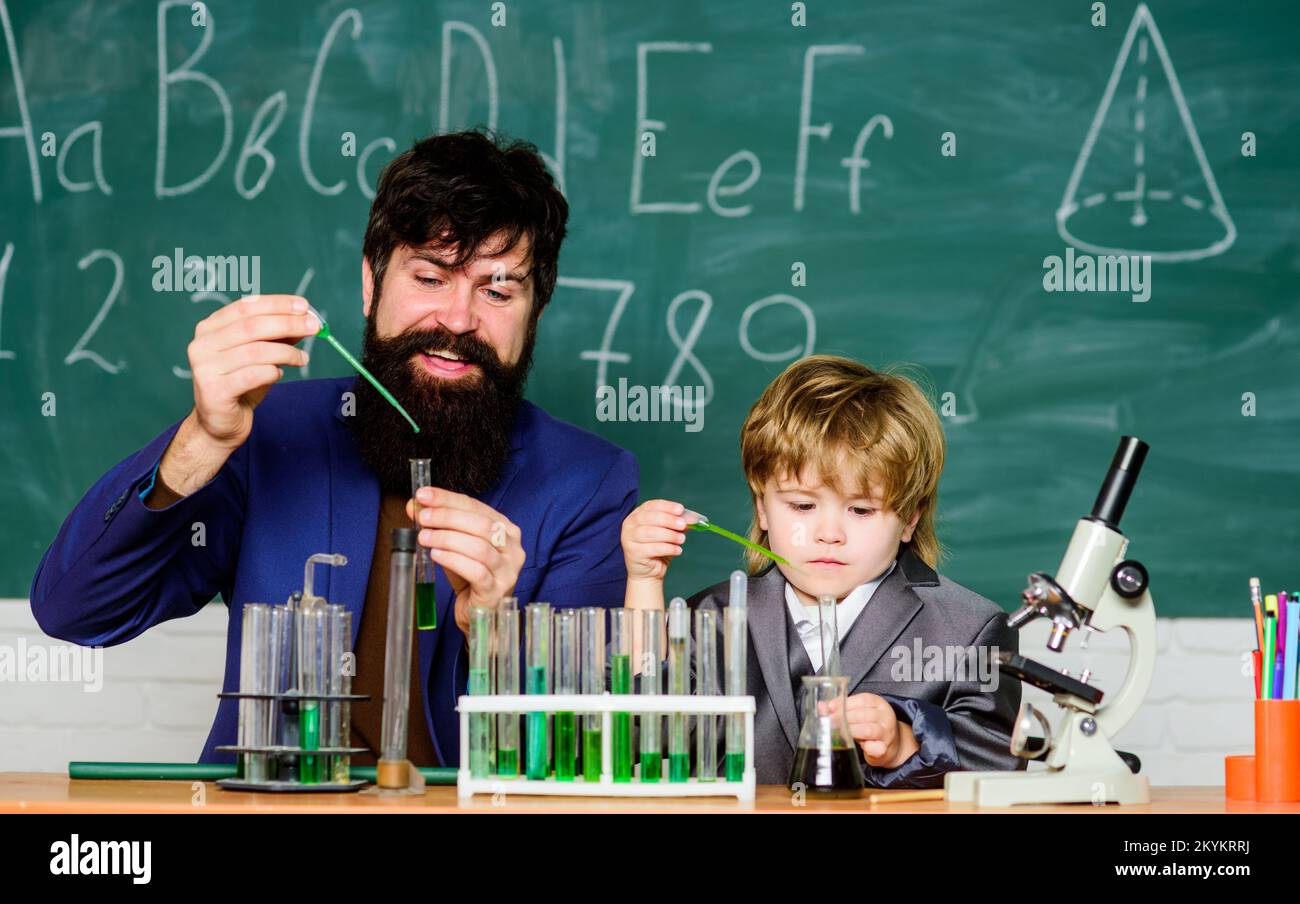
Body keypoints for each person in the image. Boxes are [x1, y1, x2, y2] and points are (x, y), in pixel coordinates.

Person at [30, 130, 638, 767]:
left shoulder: (590, 482)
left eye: (497, 290)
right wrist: (201, 442)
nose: (458, 320)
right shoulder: (269, 428)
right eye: (430, 277)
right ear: (372, 285)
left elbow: (578, 765)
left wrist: (496, 635)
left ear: (534, 313)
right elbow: (77, 610)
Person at [621, 355, 1021, 787]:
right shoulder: (712, 618)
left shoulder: (967, 630)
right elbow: (647, 732)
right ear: (762, 508)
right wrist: (644, 582)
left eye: (862, 510)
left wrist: (906, 740)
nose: (829, 533)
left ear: (908, 518)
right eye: (802, 505)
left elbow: (998, 757)